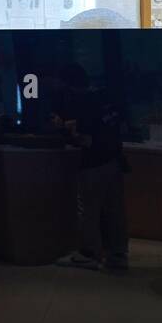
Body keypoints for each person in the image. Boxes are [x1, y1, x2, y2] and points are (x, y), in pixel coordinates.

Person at [53, 64, 129, 272]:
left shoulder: (83, 102)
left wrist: (64, 128)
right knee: (115, 210)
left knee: (89, 210)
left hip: (94, 163)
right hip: (115, 159)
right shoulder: (105, 96)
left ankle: (88, 254)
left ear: (67, 82)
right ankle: (118, 255)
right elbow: (117, 124)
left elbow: (85, 138)